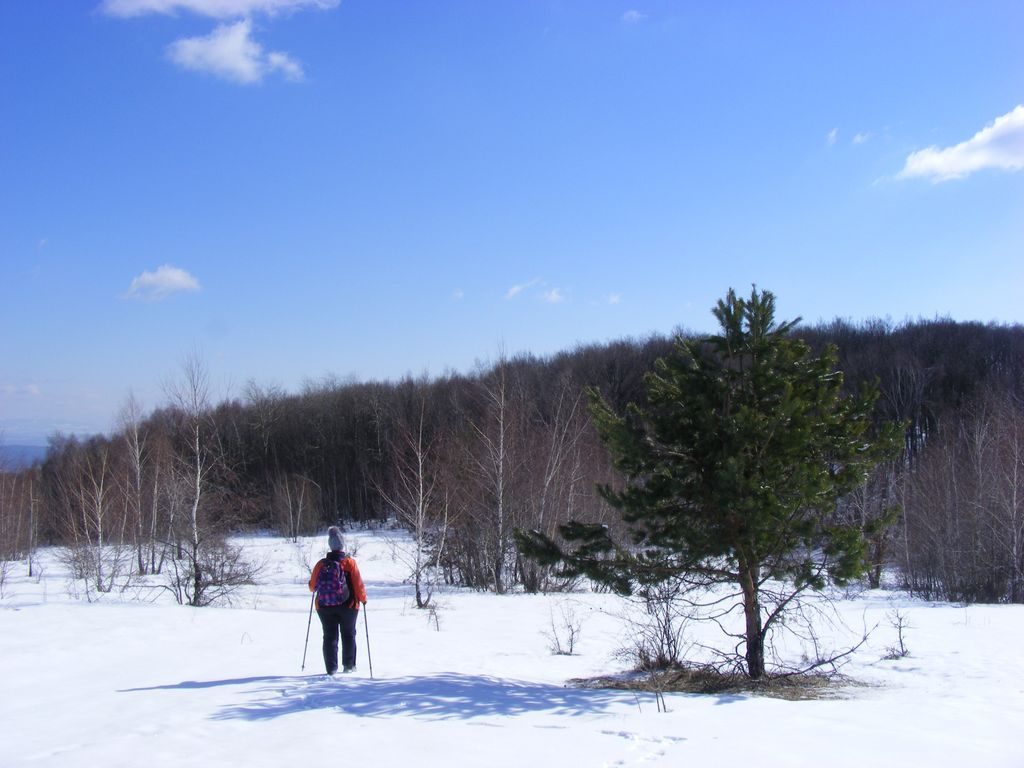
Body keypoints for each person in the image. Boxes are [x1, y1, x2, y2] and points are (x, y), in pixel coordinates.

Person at [308, 526, 367, 675]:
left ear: (330, 545)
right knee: (348, 634)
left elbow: (312, 587)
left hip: (324, 606)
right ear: (342, 546)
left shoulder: (321, 564)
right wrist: (363, 599)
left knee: (329, 636)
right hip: (348, 605)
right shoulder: (349, 563)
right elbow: (358, 584)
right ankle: (349, 666)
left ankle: (331, 669)